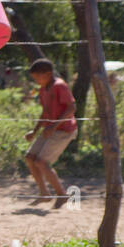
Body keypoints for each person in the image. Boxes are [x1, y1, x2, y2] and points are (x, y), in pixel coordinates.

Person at [23, 58, 77, 208]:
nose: (36, 81)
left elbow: (71, 108)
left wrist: (53, 127)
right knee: (30, 157)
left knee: (41, 162)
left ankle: (62, 194)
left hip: (64, 130)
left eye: (37, 78)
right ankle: (44, 193)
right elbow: (45, 112)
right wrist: (34, 131)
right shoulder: (43, 89)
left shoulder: (60, 86)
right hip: (50, 129)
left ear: (47, 74)